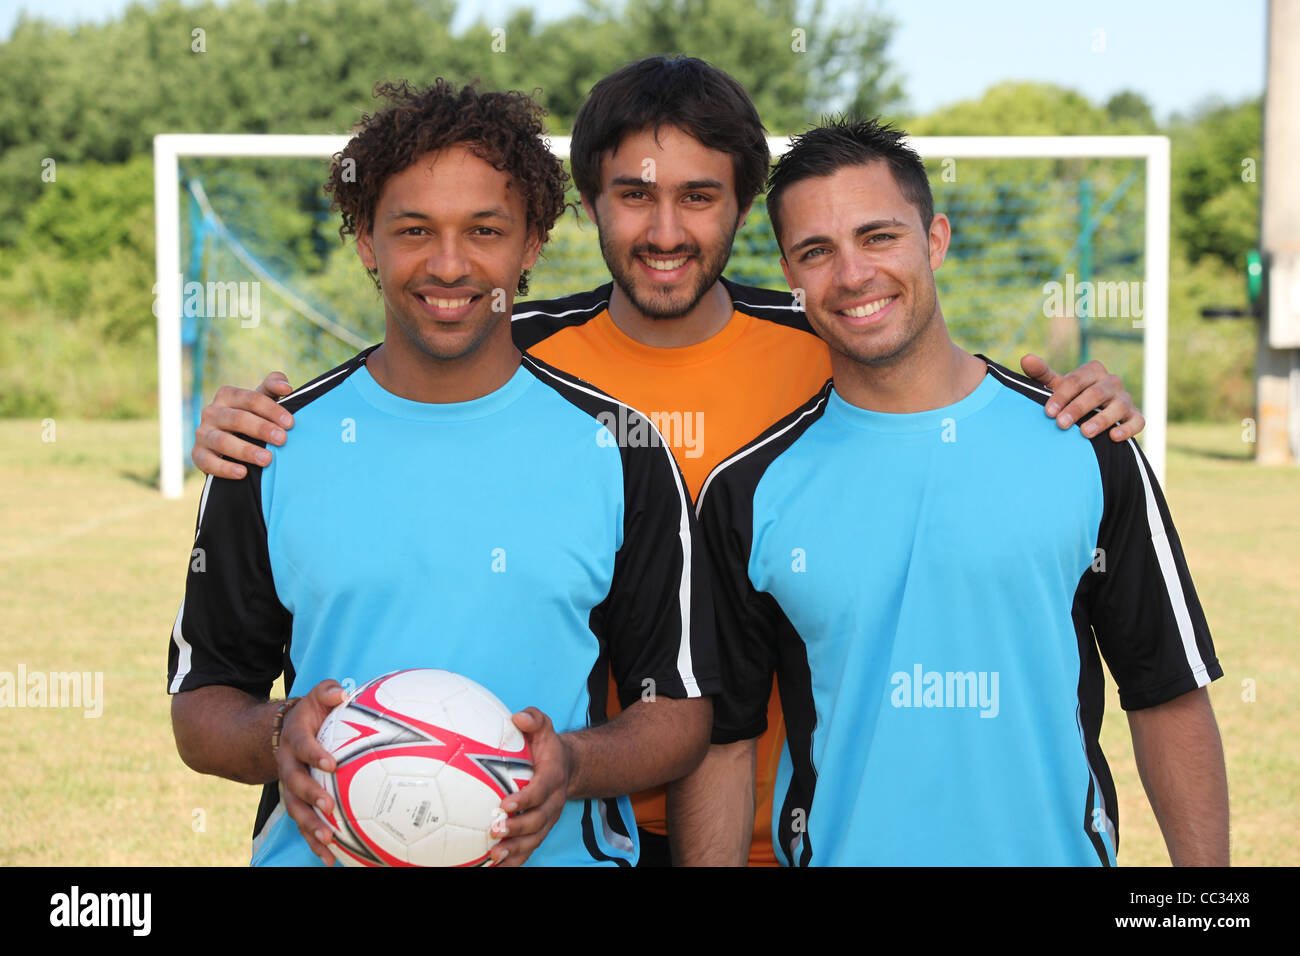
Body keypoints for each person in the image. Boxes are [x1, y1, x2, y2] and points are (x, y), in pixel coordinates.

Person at [186, 56, 1146, 866]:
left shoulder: (824, 331)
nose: (665, 231)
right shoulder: (481, 364)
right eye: (634, 196)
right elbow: (416, 372)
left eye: (700, 196)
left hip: (792, 821)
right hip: (605, 825)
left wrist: (1079, 401)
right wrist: (249, 430)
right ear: (587, 211)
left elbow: (934, 379)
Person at [167, 79, 717, 867]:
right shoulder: (271, 444)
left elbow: (679, 712)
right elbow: (202, 705)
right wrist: (280, 731)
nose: (450, 265)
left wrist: (573, 763)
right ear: (367, 241)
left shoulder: (620, 448)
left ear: (530, 245)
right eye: (415, 229)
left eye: (485, 230)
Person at [674, 117, 1228, 866]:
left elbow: (1167, 692)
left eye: (879, 237)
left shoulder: (1085, 440)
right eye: (817, 251)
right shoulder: (747, 491)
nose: (852, 274)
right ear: (791, 275)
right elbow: (727, 744)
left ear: (934, 240)